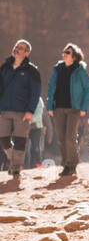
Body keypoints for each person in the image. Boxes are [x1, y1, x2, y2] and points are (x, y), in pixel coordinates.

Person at [44, 43, 89, 176]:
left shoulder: (80, 70)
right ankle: (66, 163)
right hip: (58, 108)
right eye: (64, 51)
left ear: (74, 56)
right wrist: (50, 106)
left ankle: (71, 165)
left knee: (70, 137)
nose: (64, 53)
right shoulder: (57, 68)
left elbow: (88, 89)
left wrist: (84, 107)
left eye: (67, 52)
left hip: (74, 109)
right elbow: (51, 87)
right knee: (60, 138)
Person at [0, 40, 41, 178]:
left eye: (20, 48)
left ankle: (16, 167)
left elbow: (35, 92)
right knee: (3, 139)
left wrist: (30, 110)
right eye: (16, 47)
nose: (17, 49)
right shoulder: (5, 67)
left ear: (27, 52)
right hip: (4, 109)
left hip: (22, 111)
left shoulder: (32, 71)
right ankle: (14, 161)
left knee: (20, 141)